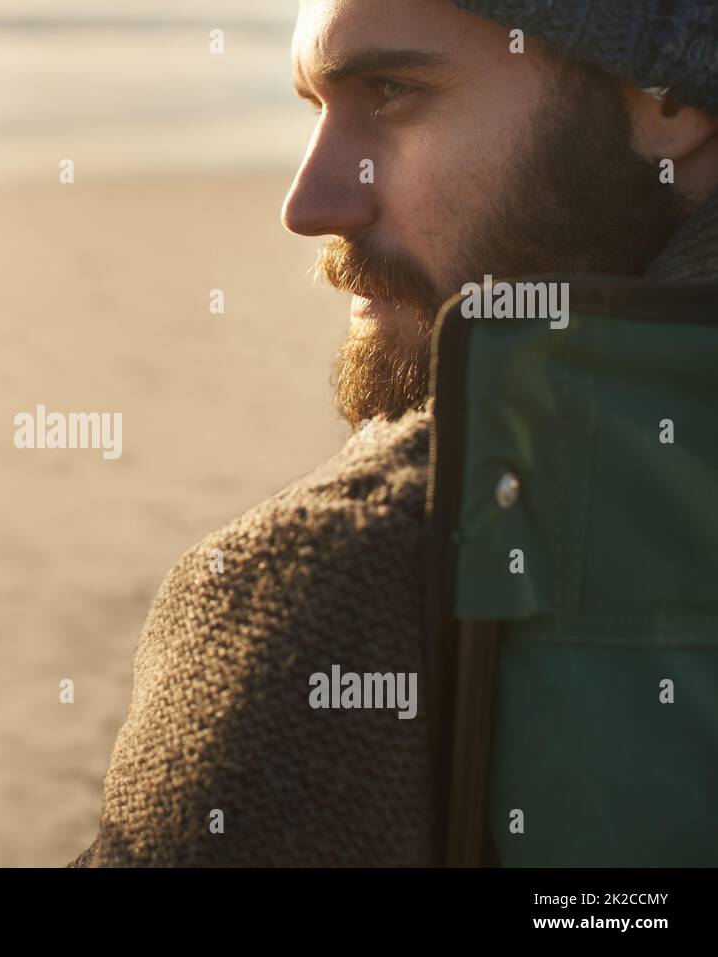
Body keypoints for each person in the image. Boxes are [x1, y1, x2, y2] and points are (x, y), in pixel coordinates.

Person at [69, 0, 718, 866]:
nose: (310, 204)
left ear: (668, 102)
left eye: (395, 91)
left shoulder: (353, 576)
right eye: (315, 108)